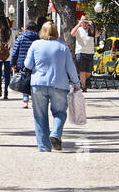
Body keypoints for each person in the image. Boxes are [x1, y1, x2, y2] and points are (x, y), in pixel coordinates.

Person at [23, 20, 81, 151]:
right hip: (59, 84)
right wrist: (76, 83)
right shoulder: (63, 47)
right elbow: (70, 68)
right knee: (60, 113)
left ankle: (44, 146)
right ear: (56, 32)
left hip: (38, 84)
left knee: (40, 115)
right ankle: (55, 133)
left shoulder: (35, 45)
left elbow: (28, 65)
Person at [10, 20, 40, 109]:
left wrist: (13, 63)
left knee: (24, 82)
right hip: (36, 63)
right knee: (34, 83)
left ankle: (25, 101)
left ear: (26, 28)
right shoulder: (38, 38)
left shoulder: (21, 37)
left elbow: (15, 51)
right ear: (35, 29)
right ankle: (34, 101)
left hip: (22, 63)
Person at [70, 16, 98, 91]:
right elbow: (72, 33)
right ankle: (84, 86)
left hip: (90, 52)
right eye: (83, 22)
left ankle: (82, 81)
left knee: (88, 72)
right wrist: (79, 24)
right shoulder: (78, 29)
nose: (84, 24)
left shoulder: (91, 29)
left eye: (86, 22)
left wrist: (92, 25)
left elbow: (97, 35)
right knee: (82, 70)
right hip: (80, 52)